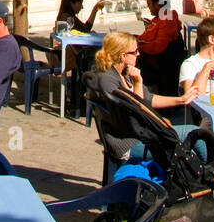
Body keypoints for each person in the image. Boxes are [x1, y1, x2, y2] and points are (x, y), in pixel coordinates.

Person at [85, 31, 199, 164]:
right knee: (195, 135)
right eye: (135, 51)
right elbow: (138, 111)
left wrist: (180, 100)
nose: (138, 54)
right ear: (123, 56)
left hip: (142, 135)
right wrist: (138, 83)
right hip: (130, 143)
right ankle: (213, 179)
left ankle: (212, 178)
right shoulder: (108, 81)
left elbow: (148, 98)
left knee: (195, 139)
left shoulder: (124, 73)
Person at [136, 0, 185, 93]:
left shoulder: (168, 19)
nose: (148, 7)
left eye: (149, 4)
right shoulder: (158, 19)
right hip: (150, 61)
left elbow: (159, 46)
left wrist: (138, 47)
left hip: (156, 66)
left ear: (157, 5)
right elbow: (144, 37)